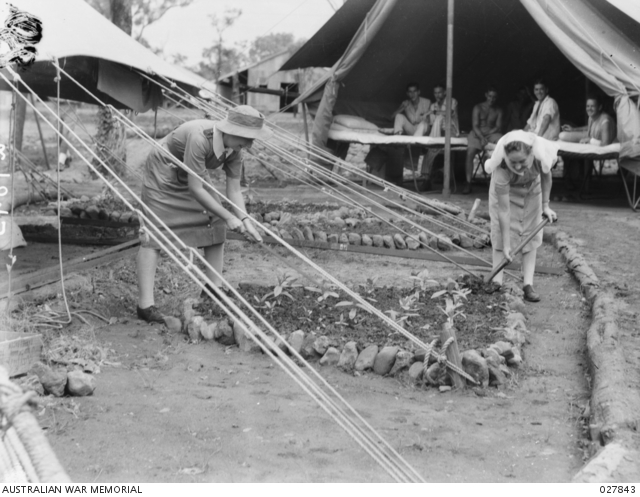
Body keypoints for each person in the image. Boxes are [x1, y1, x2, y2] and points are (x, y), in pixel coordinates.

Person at [135, 105, 271, 323]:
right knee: (155, 232)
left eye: (252, 139)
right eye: (247, 138)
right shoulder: (200, 138)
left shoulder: (235, 150)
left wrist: (246, 220)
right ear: (230, 130)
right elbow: (196, 189)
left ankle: (213, 290)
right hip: (164, 171)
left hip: (192, 174)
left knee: (215, 221)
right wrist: (230, 216)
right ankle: (145, 306)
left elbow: (234, 190)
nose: (249, 144)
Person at [484, 130, 558, 302]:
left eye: (522, 161)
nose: (517, 167)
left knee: (530, 234)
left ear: (531, 154)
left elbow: (547, 178)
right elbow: (504, 211)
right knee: (500, 237)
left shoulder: (541, 157)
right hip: (505, 196)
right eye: (513, 162)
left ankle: (528, 285)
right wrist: (508, 245)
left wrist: (545, 205)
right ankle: (497, 282)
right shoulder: (501, 169)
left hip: (532, 191)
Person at [559, 95, 616, 190]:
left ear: (599, 107)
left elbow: (606, 144)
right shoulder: (591, 117)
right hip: (592, 136)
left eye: (592, 106)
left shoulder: (605, 121)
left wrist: (590, 141)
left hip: (600, 140)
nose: (589, 109)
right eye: (588, 106)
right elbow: (589, 128)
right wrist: (574, 129)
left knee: (565, 137)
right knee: (562, 135)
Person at [463, 86, 504, 194]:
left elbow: (498, 126)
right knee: (470, 152)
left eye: (494, 97)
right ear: (486, 95)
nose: (491, 99)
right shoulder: (478, 107)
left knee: (502, 143)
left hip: (491, 133)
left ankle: (497, 181)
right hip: (477, 133)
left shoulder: (498, 110)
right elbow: (475, 125)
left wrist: (487, 136)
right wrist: (481, 137)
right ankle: (468, 182)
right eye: (490, 96)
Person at [420, 83, 460, 186]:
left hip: (450, 132)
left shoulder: (452, 101)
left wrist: (431, 112)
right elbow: (431, 123)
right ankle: (426, 178)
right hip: (437, 133)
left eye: (440, 92)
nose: (437, 95)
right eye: (435, 93)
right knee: (429, 152)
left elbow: (449, 113)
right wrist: (427, 116)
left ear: (445, 92)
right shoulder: (433, 105)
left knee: (439, 118)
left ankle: (433, 145)